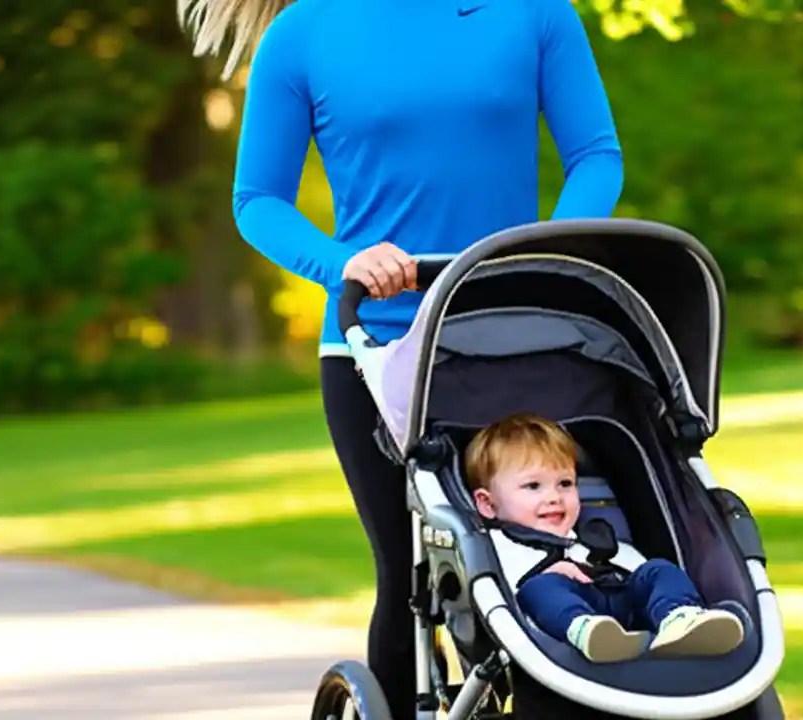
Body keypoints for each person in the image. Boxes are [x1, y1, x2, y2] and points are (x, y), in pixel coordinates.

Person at [179, 0, 624, 712]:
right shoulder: (304, 34)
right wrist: (344, 264)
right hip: (375, 350)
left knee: (547, 550)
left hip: (517, 332)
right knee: (410, 572)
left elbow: (596, 155)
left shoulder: (537, 13)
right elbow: (258, 200)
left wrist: (547, 250)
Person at [464, 413, 745, 662]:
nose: (553, 497)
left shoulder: (595, 540)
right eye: (533, 486)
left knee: (658, 569)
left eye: (565, 484)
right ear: (488, 504)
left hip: (622, 610)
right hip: (557, 623)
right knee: (541, 589)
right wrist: (544, 573)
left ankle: (679, 619)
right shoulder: (495, 548)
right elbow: (497, 602)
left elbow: (638, 577)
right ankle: (585, 629)